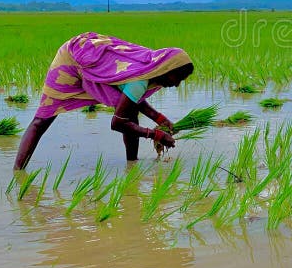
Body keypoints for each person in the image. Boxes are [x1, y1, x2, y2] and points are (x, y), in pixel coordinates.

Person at [14, 32, 193, 170]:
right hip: (70, 60)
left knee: (129, 111)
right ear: (167, 68)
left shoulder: (153, 64)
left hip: (92, 59)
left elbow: (131, 99)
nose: (176, 84)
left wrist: (159, 119)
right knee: (42, 120)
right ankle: (18, 172)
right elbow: (117, 123)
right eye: (176, 78)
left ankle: (132, 163)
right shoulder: (140, 79)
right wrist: (156, 135)